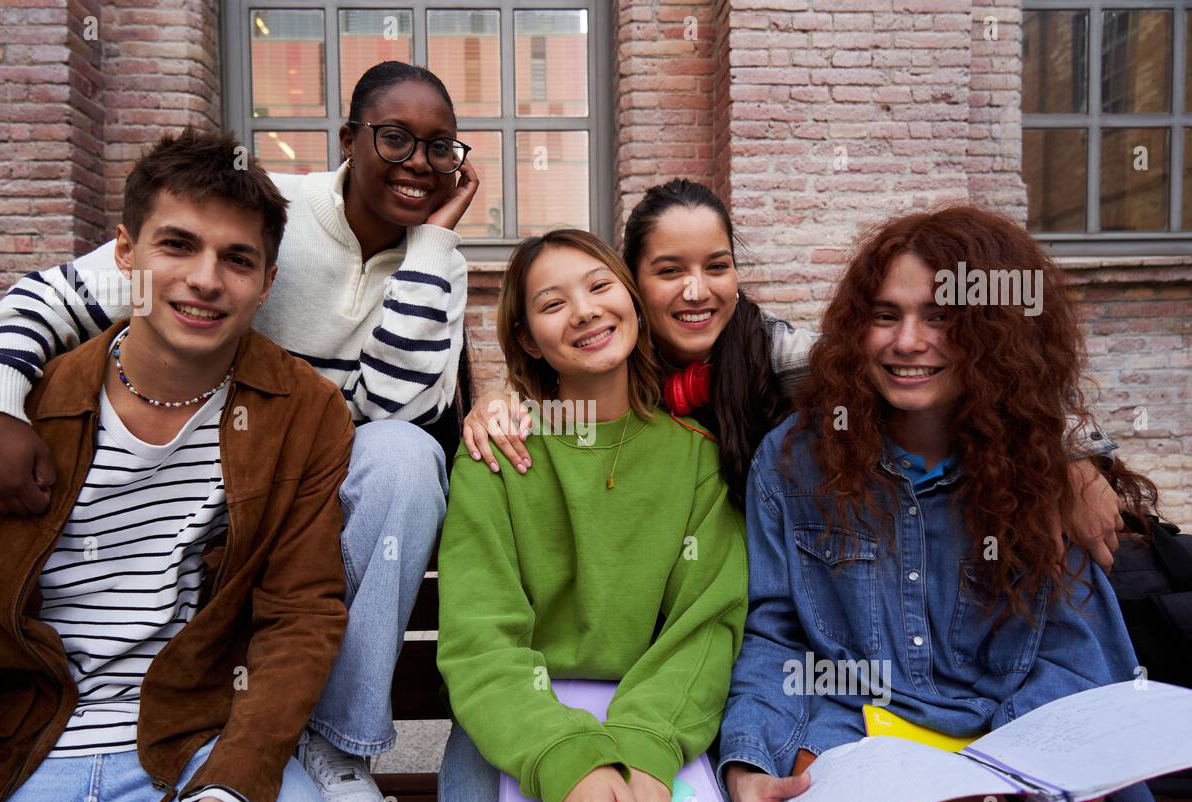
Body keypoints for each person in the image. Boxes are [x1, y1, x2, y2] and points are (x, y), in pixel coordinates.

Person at [0, 61, 478, 802]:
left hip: (290, 490)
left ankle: (334, 743)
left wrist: (432, 245)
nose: (417, 161)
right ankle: (38, 665)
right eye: (395, 137)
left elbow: (394, 409)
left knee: (403, 457)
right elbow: (54, 298)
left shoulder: (439, 270)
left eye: (441, 149)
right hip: (153, 518)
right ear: (348, 139)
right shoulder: (263, 214)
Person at [717, 205, 1167, 802]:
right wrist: (748, 759)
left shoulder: (1043, 472)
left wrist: (1068, 789)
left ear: (994, 332)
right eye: (885, 315)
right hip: (853, 742)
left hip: (1011, 748)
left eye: (941, 317)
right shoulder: (796, 462)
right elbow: (776, 636)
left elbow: (1078, 659)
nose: (907, 341)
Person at [459, 179, 1128, 569]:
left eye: (716, 266)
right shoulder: (605, 369)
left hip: (763, 593)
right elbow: (544, 400)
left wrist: (1074, 454)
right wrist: (496, 399)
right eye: (670, 271)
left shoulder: (779, 355)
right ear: (631, 283)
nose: (698, 291)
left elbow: (952, 366)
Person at [436, 229, 748, 802]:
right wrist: (563, 756)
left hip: (659, 720)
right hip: (515, 723)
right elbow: (480, 639)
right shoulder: (496, 454)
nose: (584, 311)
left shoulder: (698, 461)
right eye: (553, 304)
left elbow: (705, 629)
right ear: (527, 336)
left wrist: (646, 747)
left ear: (631, 300)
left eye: (601, 286)